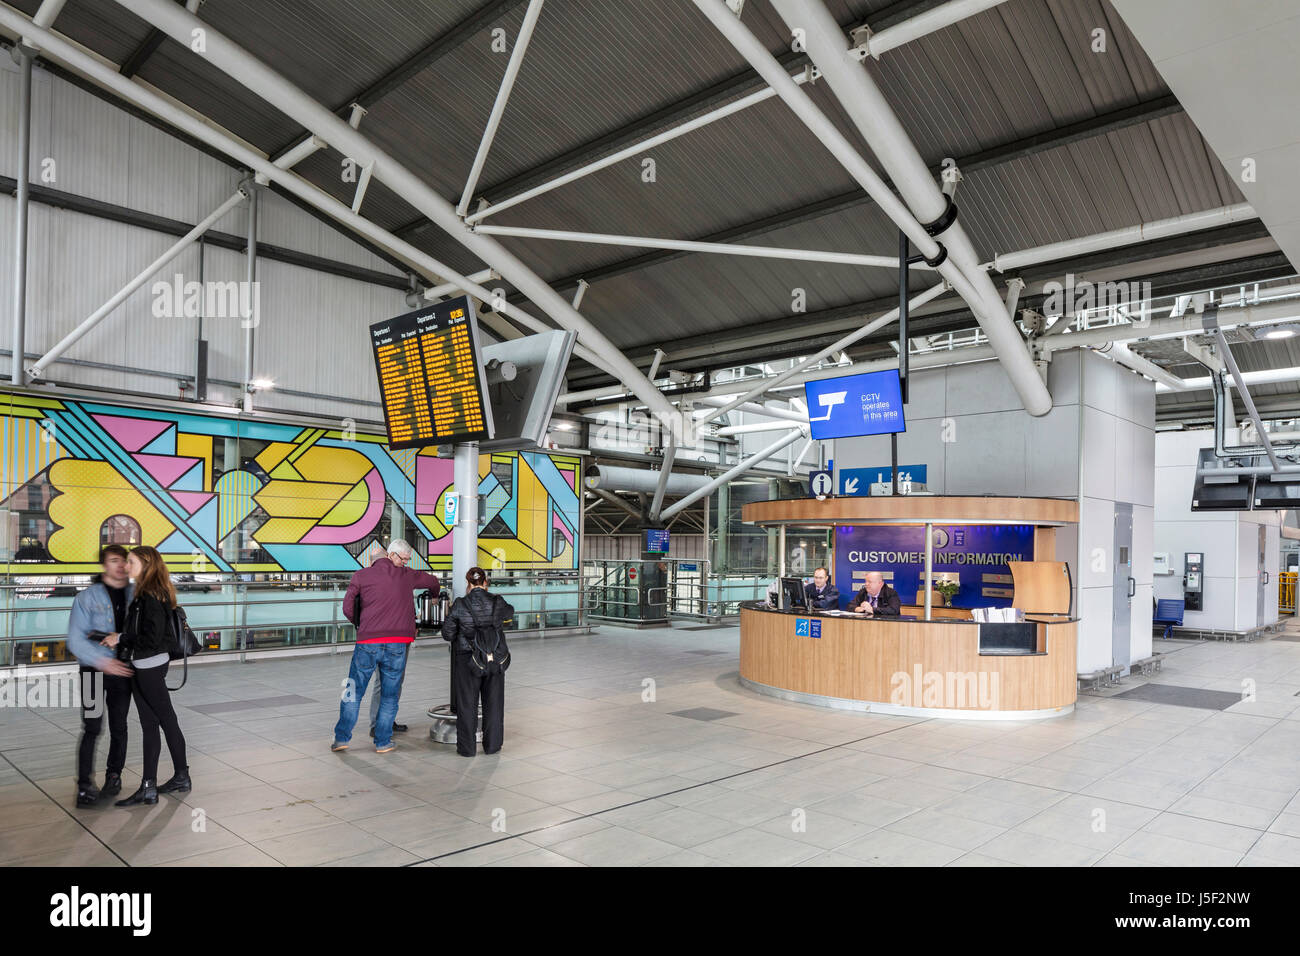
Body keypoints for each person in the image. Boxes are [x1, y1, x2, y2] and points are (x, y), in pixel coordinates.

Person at [101, 546, 190, 807]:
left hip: (149, 667)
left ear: (147, 564)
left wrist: (120, 637)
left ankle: (180, 777)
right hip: (144, 665)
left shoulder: (150, 596)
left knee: (166, 721)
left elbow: (151, 638)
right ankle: (148, 787)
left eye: (131, 562)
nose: (126, 566)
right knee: (151, 724)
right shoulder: (146, 592)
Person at [333, 539, 439, 754]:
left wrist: (362, 625)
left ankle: (341, 739)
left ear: (371, 562)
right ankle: (382, 742)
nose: (404, 563)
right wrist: (435, 598)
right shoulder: (406, 575)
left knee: (353, 691)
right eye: (403, 559)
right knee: (390, 695)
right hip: (398, 644)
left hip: (367, 643)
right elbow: (433, 581)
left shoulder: (361, 576)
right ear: (390, 556)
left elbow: (347, 608)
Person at [66, 545, 135, 808]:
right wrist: (102, 662)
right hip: (94, 672)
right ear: (104, 565)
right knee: (92, 728)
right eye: (113, 560)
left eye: (124, 561)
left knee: (120, 727)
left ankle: (114, 777)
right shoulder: (86, 597)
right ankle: (85, 786)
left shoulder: (136, 595)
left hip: (124, 672)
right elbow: (75, 639)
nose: (119, 565)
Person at [441, 567, 513, 757]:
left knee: (467, 705)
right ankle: (492, 746)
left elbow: (447, 634)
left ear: (468, 584)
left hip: (468, 659)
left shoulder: (460, 604)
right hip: (494, 659)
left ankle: (467, 749)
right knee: (494, 704)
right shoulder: (497, 601)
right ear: (485, 583)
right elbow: (509, 614)